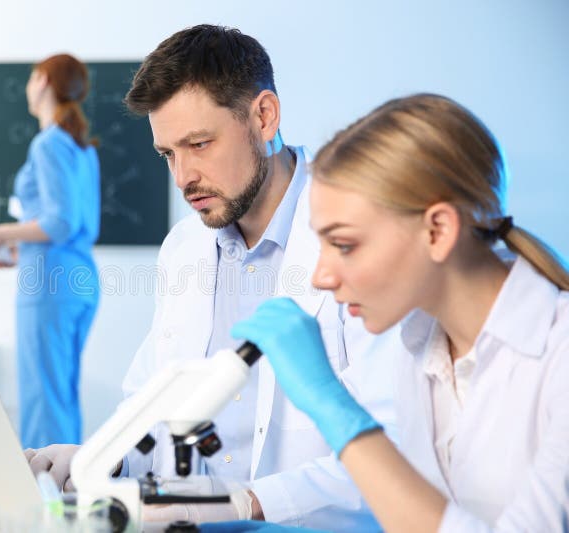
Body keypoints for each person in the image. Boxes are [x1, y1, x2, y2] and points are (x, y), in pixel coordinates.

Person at [25, 26, 404, 530]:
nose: (182, 177)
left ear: (264, 116)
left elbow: (391, 455)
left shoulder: (362, 241)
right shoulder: (184, 247)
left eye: (199, 144)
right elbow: (149, 406)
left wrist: (241, 501)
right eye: (168, 155)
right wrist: (100, 459)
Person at [225, 94, 569, 532]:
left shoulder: (560, 359)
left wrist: (335, 409)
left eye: (345, 245)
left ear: (438, 230)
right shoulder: (419, 349)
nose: (321, 277)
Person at [0, 54, 101, 449]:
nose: (28, 87)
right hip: (76, 279)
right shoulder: (82, 147)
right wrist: (17, 251)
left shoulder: (47, 143)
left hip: (48, 285)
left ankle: (44, 502)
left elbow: (59, 222)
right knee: (60, 394)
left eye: (31, 78)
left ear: (43, 80)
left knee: (43, 399)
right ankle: (64, 494)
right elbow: (79, 225)